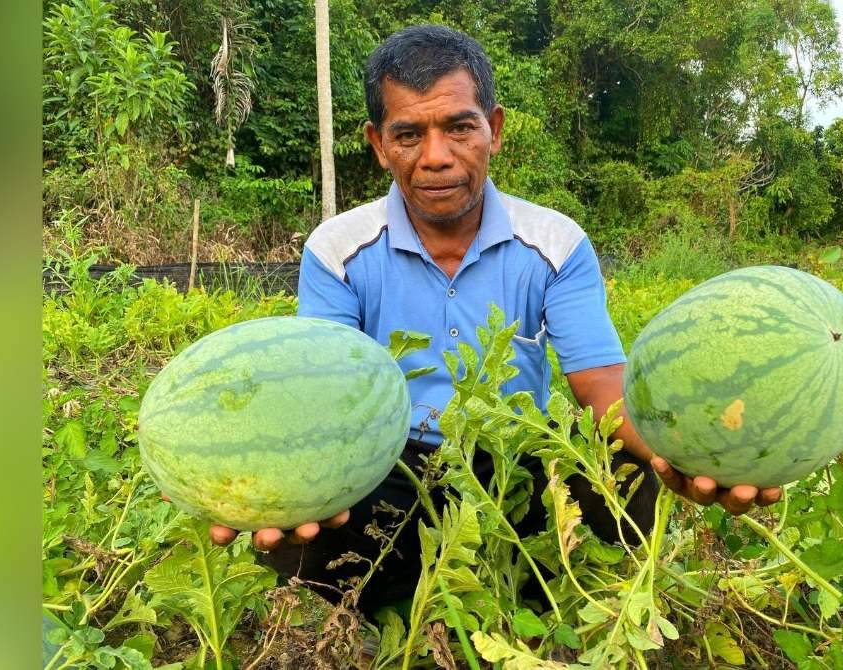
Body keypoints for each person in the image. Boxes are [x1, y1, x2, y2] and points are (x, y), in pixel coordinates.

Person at [209, 24, 781, 615]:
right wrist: (266, 479)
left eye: (459, 127)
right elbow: (320, 395)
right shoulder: (338, 249)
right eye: (409, 134)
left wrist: (689, 451)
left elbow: (602, 385)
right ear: (379, 144)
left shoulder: (556, 243)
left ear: (494, 130)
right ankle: (335, 623)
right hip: (386, 461)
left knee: (624, 465)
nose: (436, 157)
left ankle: (574, 598)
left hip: (516, 456)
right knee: (306, 531)